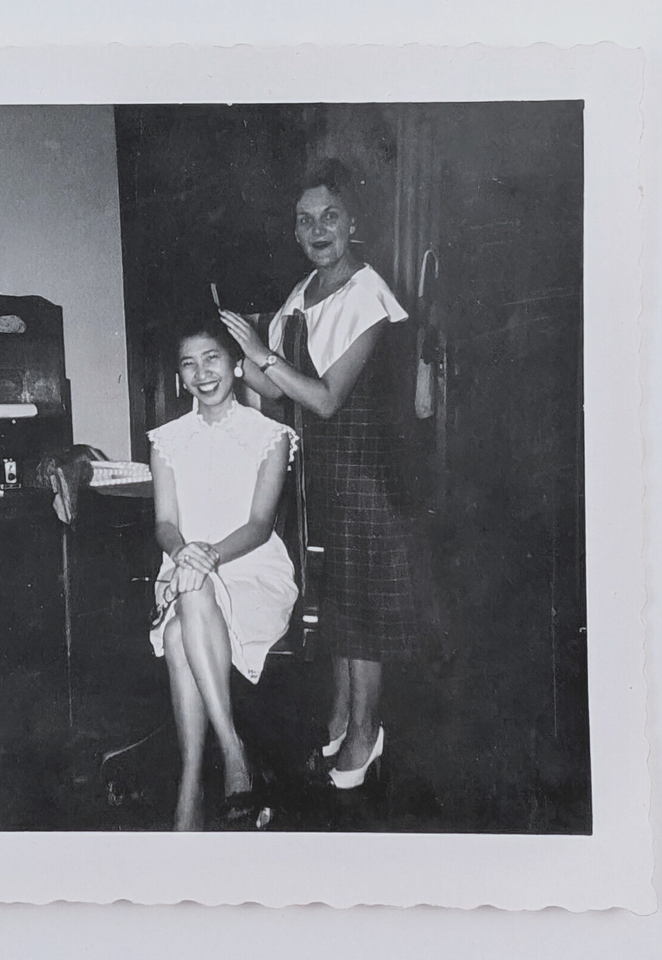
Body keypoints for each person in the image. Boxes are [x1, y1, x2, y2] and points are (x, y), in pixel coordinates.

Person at [220, 158, 416, 790]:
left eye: (330, 215)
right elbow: (276, 392)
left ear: (352, 223)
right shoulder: (300, 295)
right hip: (319, 478)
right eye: (305, 220)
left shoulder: (369, 293)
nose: (318, 229)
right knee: (333, 604)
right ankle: (340, 720)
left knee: (362, 611)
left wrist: (263, 355)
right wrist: (233, 361)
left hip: (365, 474)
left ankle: (366, 733)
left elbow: (327, 398)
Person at [148, 310, 299, 830]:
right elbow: (165, 523)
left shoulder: (270, 435)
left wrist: (206, 555)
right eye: (188, 364)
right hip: (188, 566)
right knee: (181, 622)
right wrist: (184, 551)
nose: (202, 372)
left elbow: (259, 524)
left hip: (251, 568)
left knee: (180, 625)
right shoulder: (166, 439)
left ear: (236, 365)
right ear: (180, 376)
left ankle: (207, 769)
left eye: (212, 358)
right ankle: (217, 759)